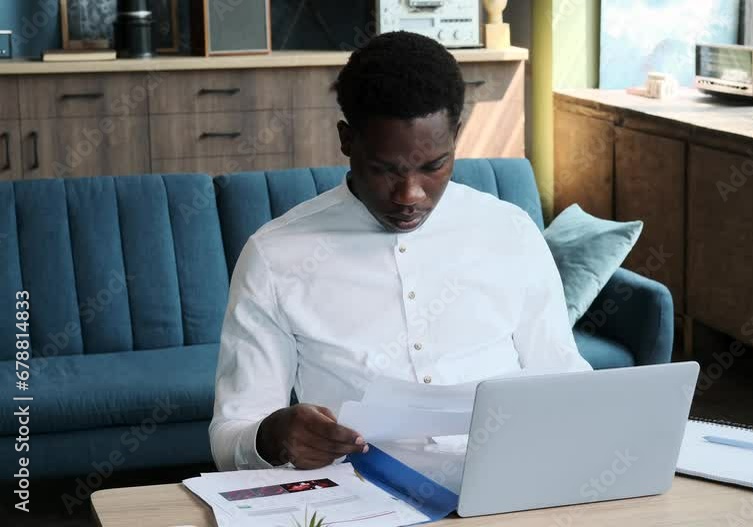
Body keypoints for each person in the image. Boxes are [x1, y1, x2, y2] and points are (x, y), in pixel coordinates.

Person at [209, 31, 592, 472]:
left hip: (509, 479)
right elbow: (230, 435)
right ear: (346, 141)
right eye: (385, 170)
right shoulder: (275, 256)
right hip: (357, 494)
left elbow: (564, 375)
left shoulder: (511, 231)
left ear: (456, 137)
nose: (411, 195)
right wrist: (273, 436)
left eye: (433, 166)